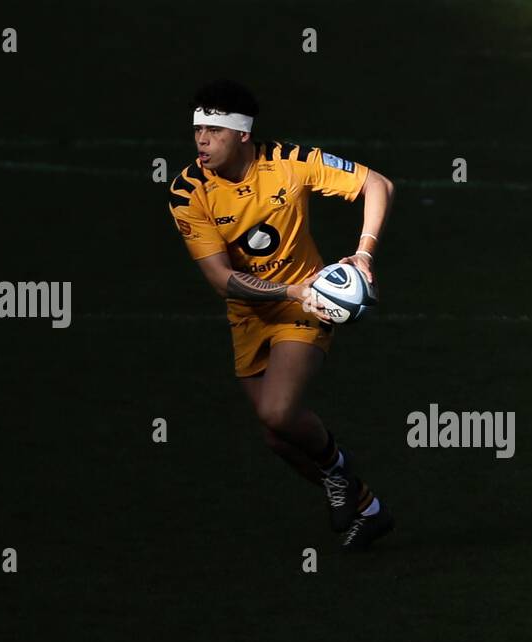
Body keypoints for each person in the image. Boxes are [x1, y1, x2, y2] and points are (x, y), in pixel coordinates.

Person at [168, 80, 395, 550]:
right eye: (197, 130)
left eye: (214, 130)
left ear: (243, 134)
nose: (202, 141)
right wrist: (289, 287)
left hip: (308, 308)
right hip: (250, 314)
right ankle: (366, 505)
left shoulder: (290, 162)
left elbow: (378, 183)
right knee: (277, 437)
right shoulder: (188, 191)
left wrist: (364, 254)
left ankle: (338, 474)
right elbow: (219, 277)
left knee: (278, 410)